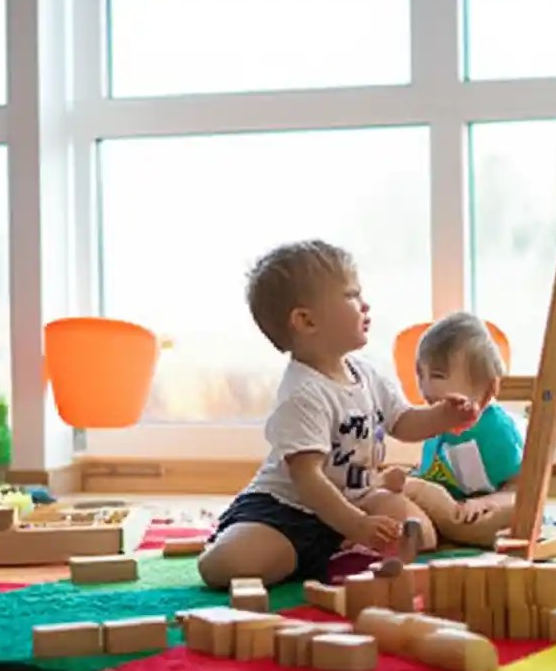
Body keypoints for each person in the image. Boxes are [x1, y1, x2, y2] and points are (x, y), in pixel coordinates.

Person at [197, 240, 480, 589]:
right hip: (288, 510)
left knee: (420, 535)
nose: (365, 304)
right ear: (306, 320)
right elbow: (309, 480)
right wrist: (357, 525)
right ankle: (316, 550)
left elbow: (403, 422)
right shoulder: (302, 394)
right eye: (351, 295)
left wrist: (443, 417)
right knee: (226, 567)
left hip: (355, 496)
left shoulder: (366, 374)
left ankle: (334, 549)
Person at [376, 311, 524, 548]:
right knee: (394, 496)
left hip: (481, 515)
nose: (425, 385)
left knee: (516, 516)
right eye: (420, 375)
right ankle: (410, 535)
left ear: (488, 387)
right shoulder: (437, 424)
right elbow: (434, 477)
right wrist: (406, 477)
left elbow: (520, 489)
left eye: (438, 375)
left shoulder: (495, 429)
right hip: (448, 512)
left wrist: (488, 502)